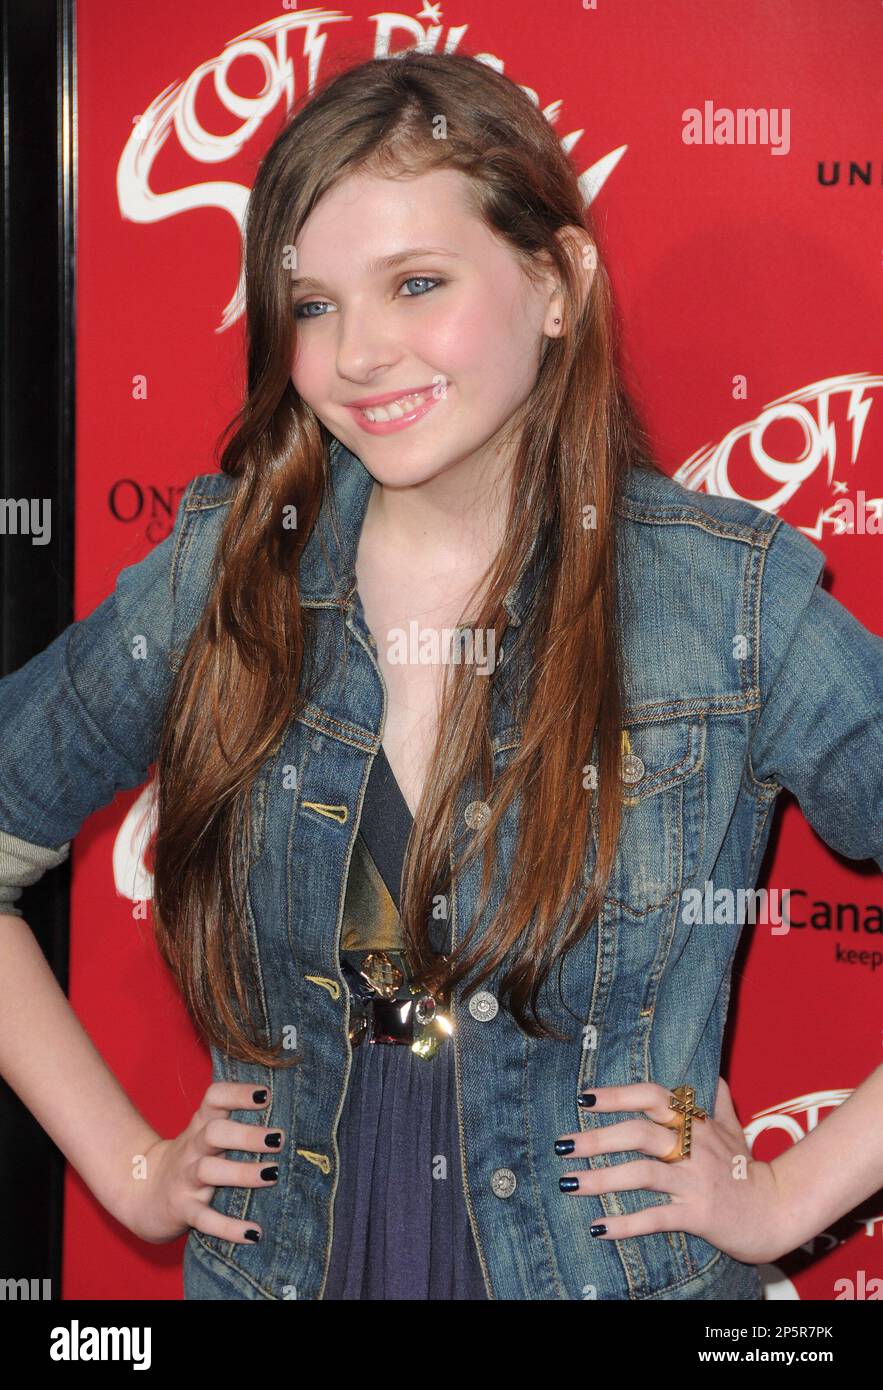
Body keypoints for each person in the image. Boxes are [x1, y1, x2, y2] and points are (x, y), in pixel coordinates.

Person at [1, 50, 882, 1303]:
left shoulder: (721, 602)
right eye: (313, 305)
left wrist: (787, 1192)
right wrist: (132, 1163)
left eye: (415, 283)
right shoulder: (226, 571)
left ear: (558, 279)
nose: (358, 354)